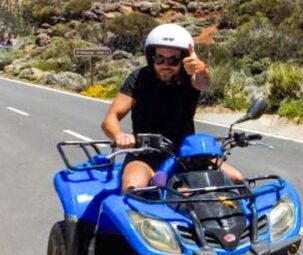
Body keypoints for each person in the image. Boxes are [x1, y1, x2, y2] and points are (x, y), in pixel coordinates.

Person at [101, 23, 243, 192]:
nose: (165, 65)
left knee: (236, 178)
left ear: (183, 60)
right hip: (145, 154)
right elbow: (111, 118)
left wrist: (201, 69)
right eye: (159, 59)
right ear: (151, 58)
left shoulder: (190, 78)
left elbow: (202, 84)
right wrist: (119, 135)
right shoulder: (139, 78)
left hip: (187, 153)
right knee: (133, 186)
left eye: (173, 60)